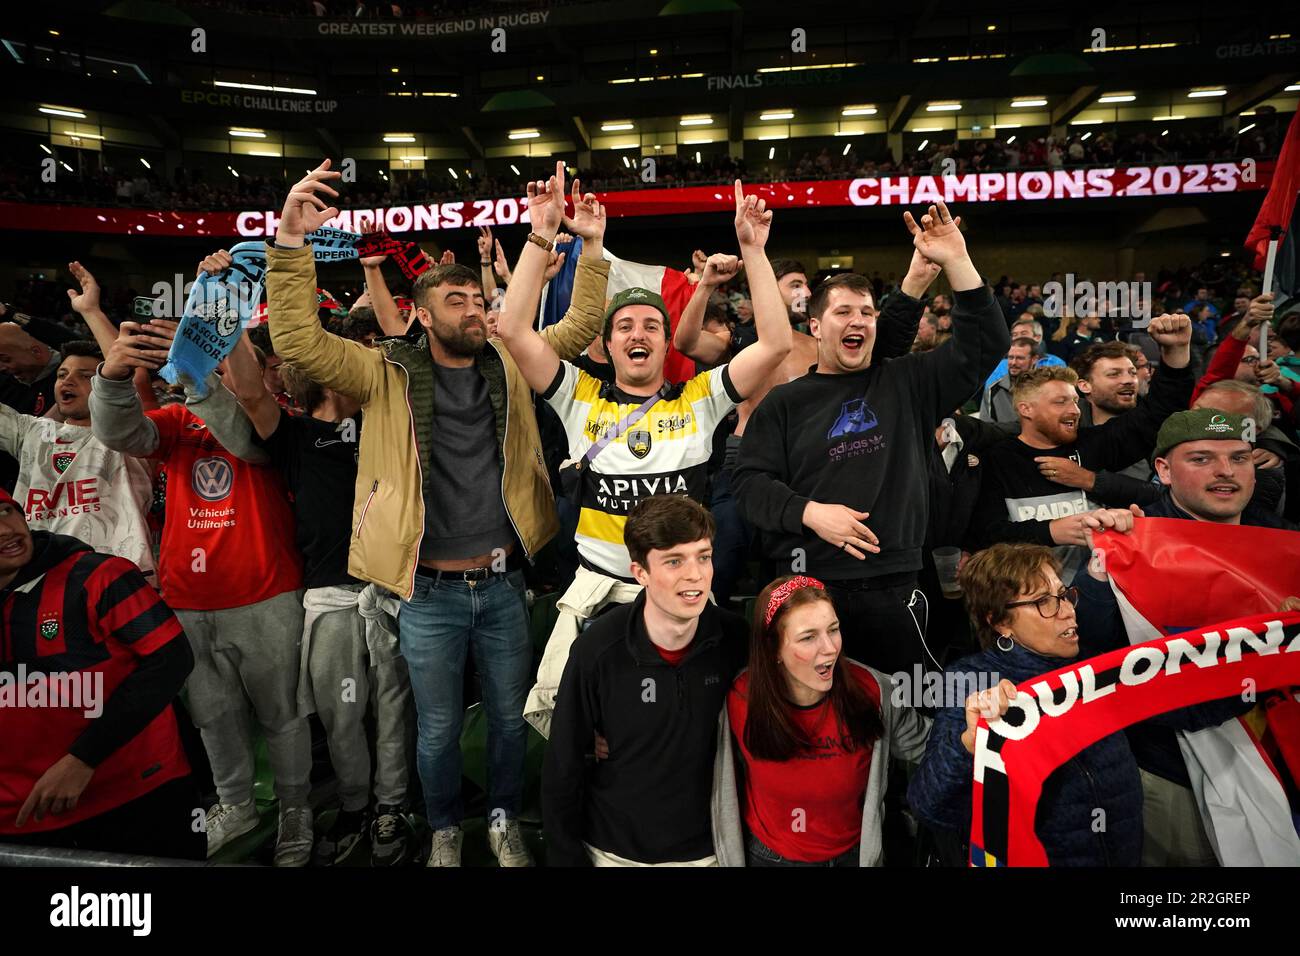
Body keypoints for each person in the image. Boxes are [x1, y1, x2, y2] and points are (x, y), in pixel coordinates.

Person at [265, 159, 610, 868]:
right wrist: (290, 245)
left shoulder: (511, 363)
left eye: (475, 299)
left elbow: (576, 327)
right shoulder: (383, 370)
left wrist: (590, 249)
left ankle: (505, 819)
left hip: (505, 586)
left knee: (512, 723)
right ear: (421, 314)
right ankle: (447, 828)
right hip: (425, 594)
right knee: (436, 729)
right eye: (455, 301)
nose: (474, 310)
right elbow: (297, 342)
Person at [510, 177, 790, 736]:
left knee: (690, 732)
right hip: (602, 604)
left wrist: (755, 252)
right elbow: (515, 329)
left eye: (652, 326)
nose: (638, 334)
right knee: (597, 737)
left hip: (683, 602)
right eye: (625, 327)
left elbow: (777, 345)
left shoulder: (702, 399)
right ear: (607, 345)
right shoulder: (576, 395)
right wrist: (542, 233)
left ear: (667, 344)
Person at [183, 249, 417, 867]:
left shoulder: (387, 423)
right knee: (343, 717)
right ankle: (355, 804)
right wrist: (221, 308)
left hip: (394, 592)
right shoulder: (291, 436)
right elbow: (252, 388)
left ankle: (392, 808)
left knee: (392, 714)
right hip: (330, 597)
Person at [733, 200, 1008, 675]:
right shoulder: (785, 402)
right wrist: (810, 513)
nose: (857, 320)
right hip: (807, 590)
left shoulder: (908, 382)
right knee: (812, 714)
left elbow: (984, 344)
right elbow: (749, 485)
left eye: (866, 312)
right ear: (816, 327)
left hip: (897, 587)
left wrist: (957, 260)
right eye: (843, 312)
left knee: (908, 719)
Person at [89, 314, 312, 865]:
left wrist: (197, 376)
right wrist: (113, 379)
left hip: (266, 593)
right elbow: (120, 434)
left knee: (281, 714)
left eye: (237, 365)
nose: (226, 372)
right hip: (188, 599)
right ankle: (236, 804)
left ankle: (295, 809)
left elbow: (244, 441)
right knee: (212, 716)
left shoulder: (277, 423)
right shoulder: (176, 419)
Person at [1075, 409, 1288, 864]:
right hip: (1173, 766)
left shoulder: (1281, 540)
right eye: (1202, 458)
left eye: (1239, 458)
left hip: (1280, 748)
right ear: (1164, 470)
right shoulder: (1128, 540)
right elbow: (1090, 657)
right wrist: (1099, 573)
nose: (1226, 471)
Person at [908, 542, 1144, 866]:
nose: (1066, 610)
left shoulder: (1092, 664)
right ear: (1001, 622)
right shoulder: (971, 680)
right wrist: (969, 743)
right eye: (1043, 602)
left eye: (1063, 595)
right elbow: (929, 804)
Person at [541, 495, 747, 866]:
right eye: (674, 561)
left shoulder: (737, 641)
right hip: (613, 853)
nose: (695, 575)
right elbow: (562, 764)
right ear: (640, 573)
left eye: (703, 556)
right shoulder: (597, 650)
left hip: (711, 852)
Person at [0, 487, 203, 860]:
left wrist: (83, 759)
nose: (5, 530)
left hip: (134, 798)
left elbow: (171, 660)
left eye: (6, 512)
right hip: (17, 820)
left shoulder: (98, 576)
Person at [712, 575, 931, 867]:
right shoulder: (740, 697)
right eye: (808, 637)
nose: (829, 648)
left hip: (853, 855)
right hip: (771, 858)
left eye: (833, 630)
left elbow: (931, 745)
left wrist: (974, 726)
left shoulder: (875, 690)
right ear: (773, 648)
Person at [967, 314, 1192, 578]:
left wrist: (1176, 353)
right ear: (1025, 409)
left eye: (1075, 401)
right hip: (1026, 596)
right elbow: (983, 534)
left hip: (1096, 589)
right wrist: (1051, 530)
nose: (1074, 410)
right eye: (1060, 402)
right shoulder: (998, 459)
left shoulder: (1092, 445)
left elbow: (1158, 415)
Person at [0, 338, 155, 582]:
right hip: (38, 580)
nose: (68, 381)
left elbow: (135, 379)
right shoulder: (31, 432)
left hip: (118, 577)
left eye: (84, 376)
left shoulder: (131, 439)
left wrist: (90, 311)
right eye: (62, 374)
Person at [979, 337, 1035, 424]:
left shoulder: (1045, 388)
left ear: (1034, 359)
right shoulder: (993, 389)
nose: (1013, 363)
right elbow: (985, 426)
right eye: (1010, 357)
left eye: (1020, 358)